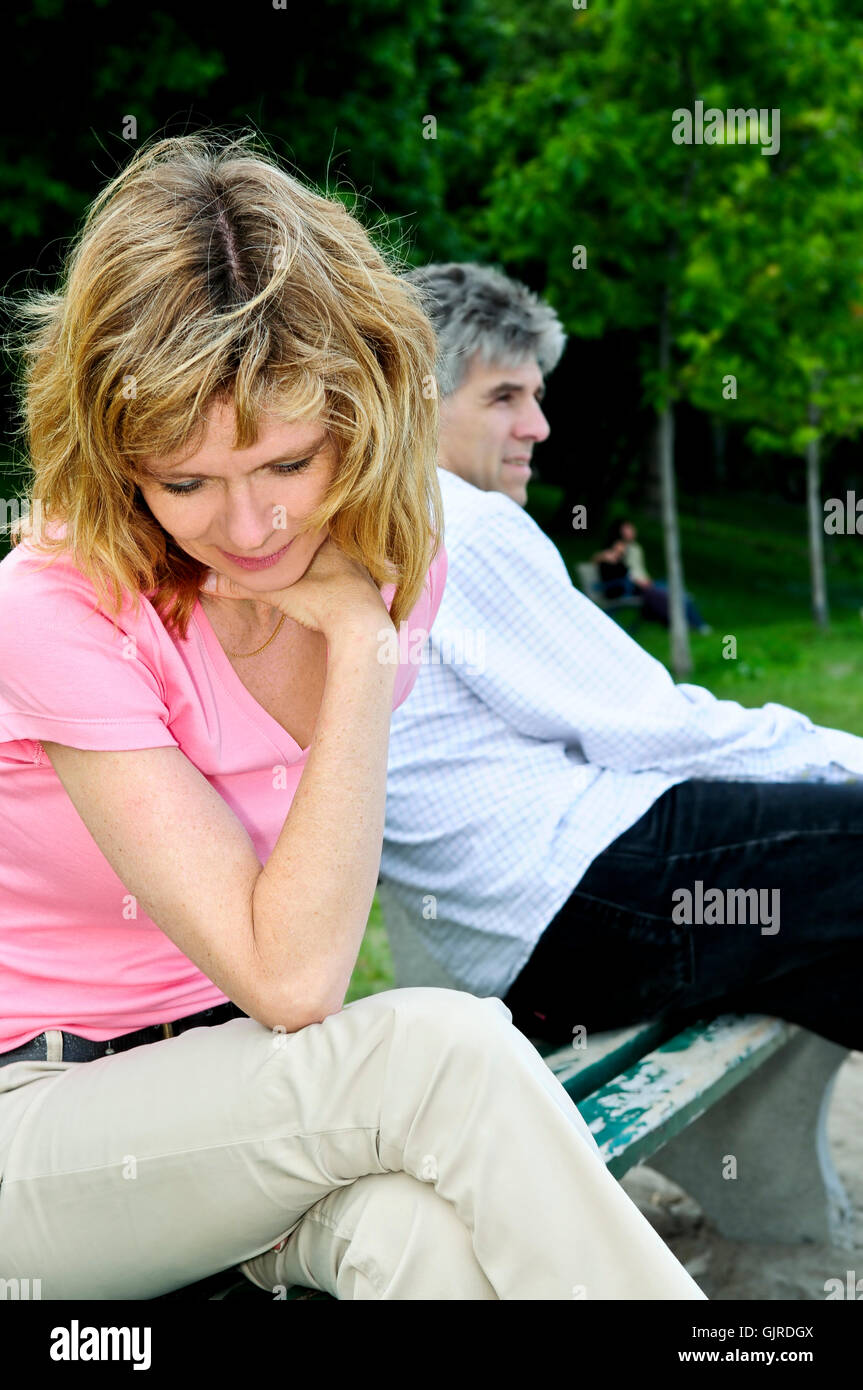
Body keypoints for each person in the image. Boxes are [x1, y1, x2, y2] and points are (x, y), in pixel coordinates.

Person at [0, 134, 705, 1302]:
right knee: (450, 1053)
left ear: (360, 410)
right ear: (118, 462)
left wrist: (361, 634)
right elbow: (293, 976)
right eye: (183, 481)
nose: (248, 524)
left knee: (415, 1240)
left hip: (228, 1092)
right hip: (41, 1128)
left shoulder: (390, 564)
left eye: (284, 461)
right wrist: (363, 654)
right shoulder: (55, 606)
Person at [378, 261, 863, 1062]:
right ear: (414, 402)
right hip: (577, 895)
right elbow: (654, 727)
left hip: (524, 939)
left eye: (535, 396)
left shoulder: (387, 524)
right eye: (503, 398)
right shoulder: (457, 524)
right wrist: (846, 758)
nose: (536, 425)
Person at [592, 519, 711, 633]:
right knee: (667, 596)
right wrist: (610, 556)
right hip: (629, 589)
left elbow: (633, 572)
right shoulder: (609, 558)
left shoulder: (632, 550)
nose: (632, 530)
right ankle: (690, 623)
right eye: (627, 528)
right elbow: (623, 574)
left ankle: (691, 620)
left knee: (676, 593)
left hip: (640, 586)